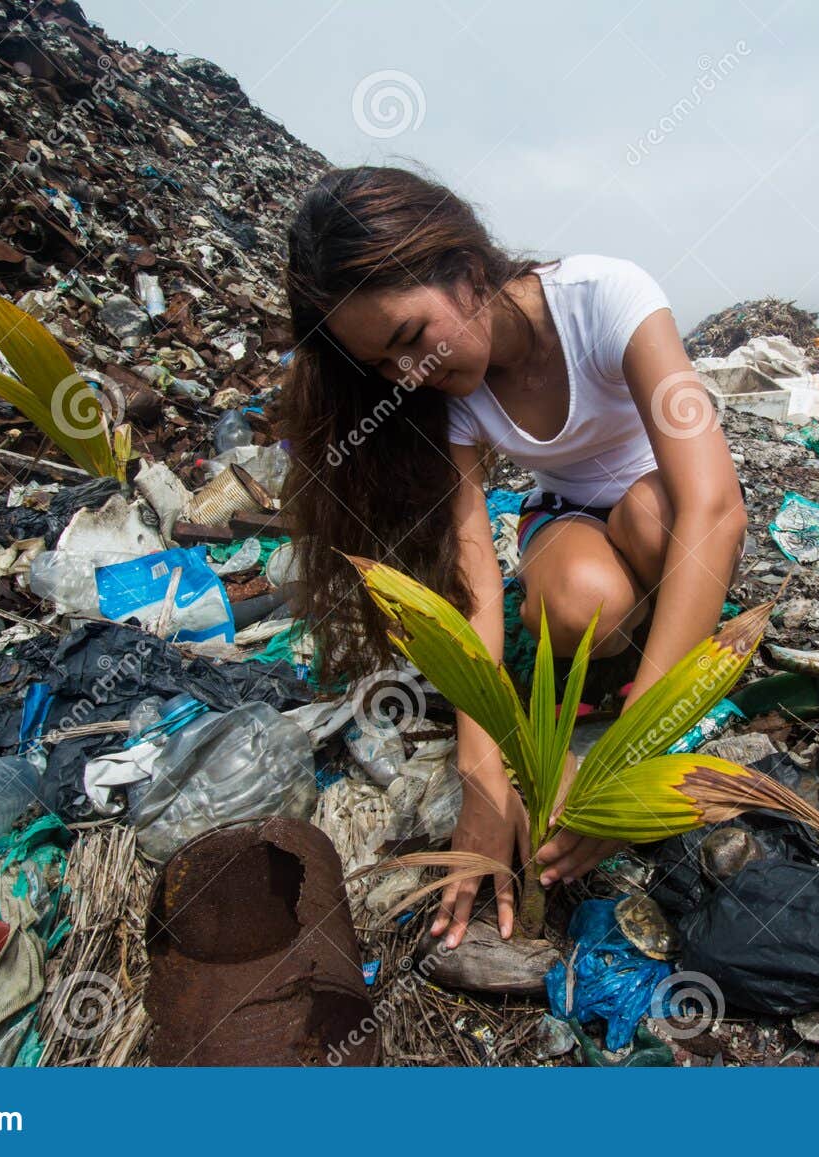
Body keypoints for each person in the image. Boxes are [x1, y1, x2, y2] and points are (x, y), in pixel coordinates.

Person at [283, 166, 745, 948]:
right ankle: (624, 654)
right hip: (566, 521)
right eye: (386, 365)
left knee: (654, 511)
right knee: (579, 604)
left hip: (661, 508)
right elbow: (473, 577)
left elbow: (716, 505)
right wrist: (483, 781)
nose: (410, 374)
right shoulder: (449, 396)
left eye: (410, 339)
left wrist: (626, 767)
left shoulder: (608, 297)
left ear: (467, 272)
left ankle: (637, 686)